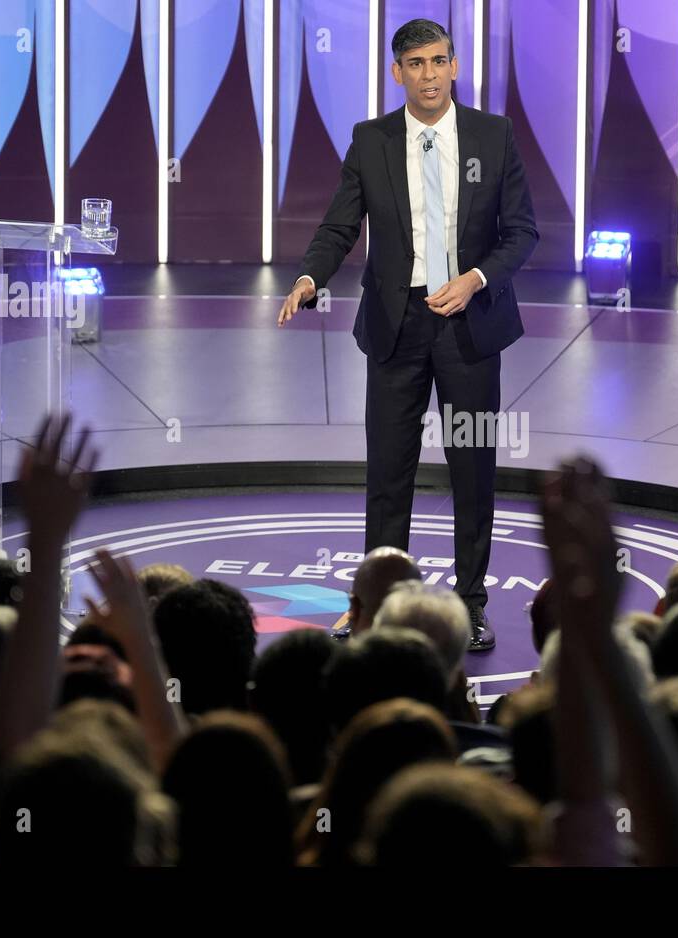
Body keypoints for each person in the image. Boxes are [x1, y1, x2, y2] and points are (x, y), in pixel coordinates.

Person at [277, 18, 538, 652]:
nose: (429, 74)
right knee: (388, 476)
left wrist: (475, 279)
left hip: (468, 326)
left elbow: (521, 232)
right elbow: (339, 227)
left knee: (472, 471)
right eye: (416, 64)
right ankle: (375, 605)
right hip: (395, 328)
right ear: (398, 73)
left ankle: (471, 605)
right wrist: (311, 275)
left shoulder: (493, 135)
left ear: (455, 65)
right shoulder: (370, 141)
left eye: (439, 61)